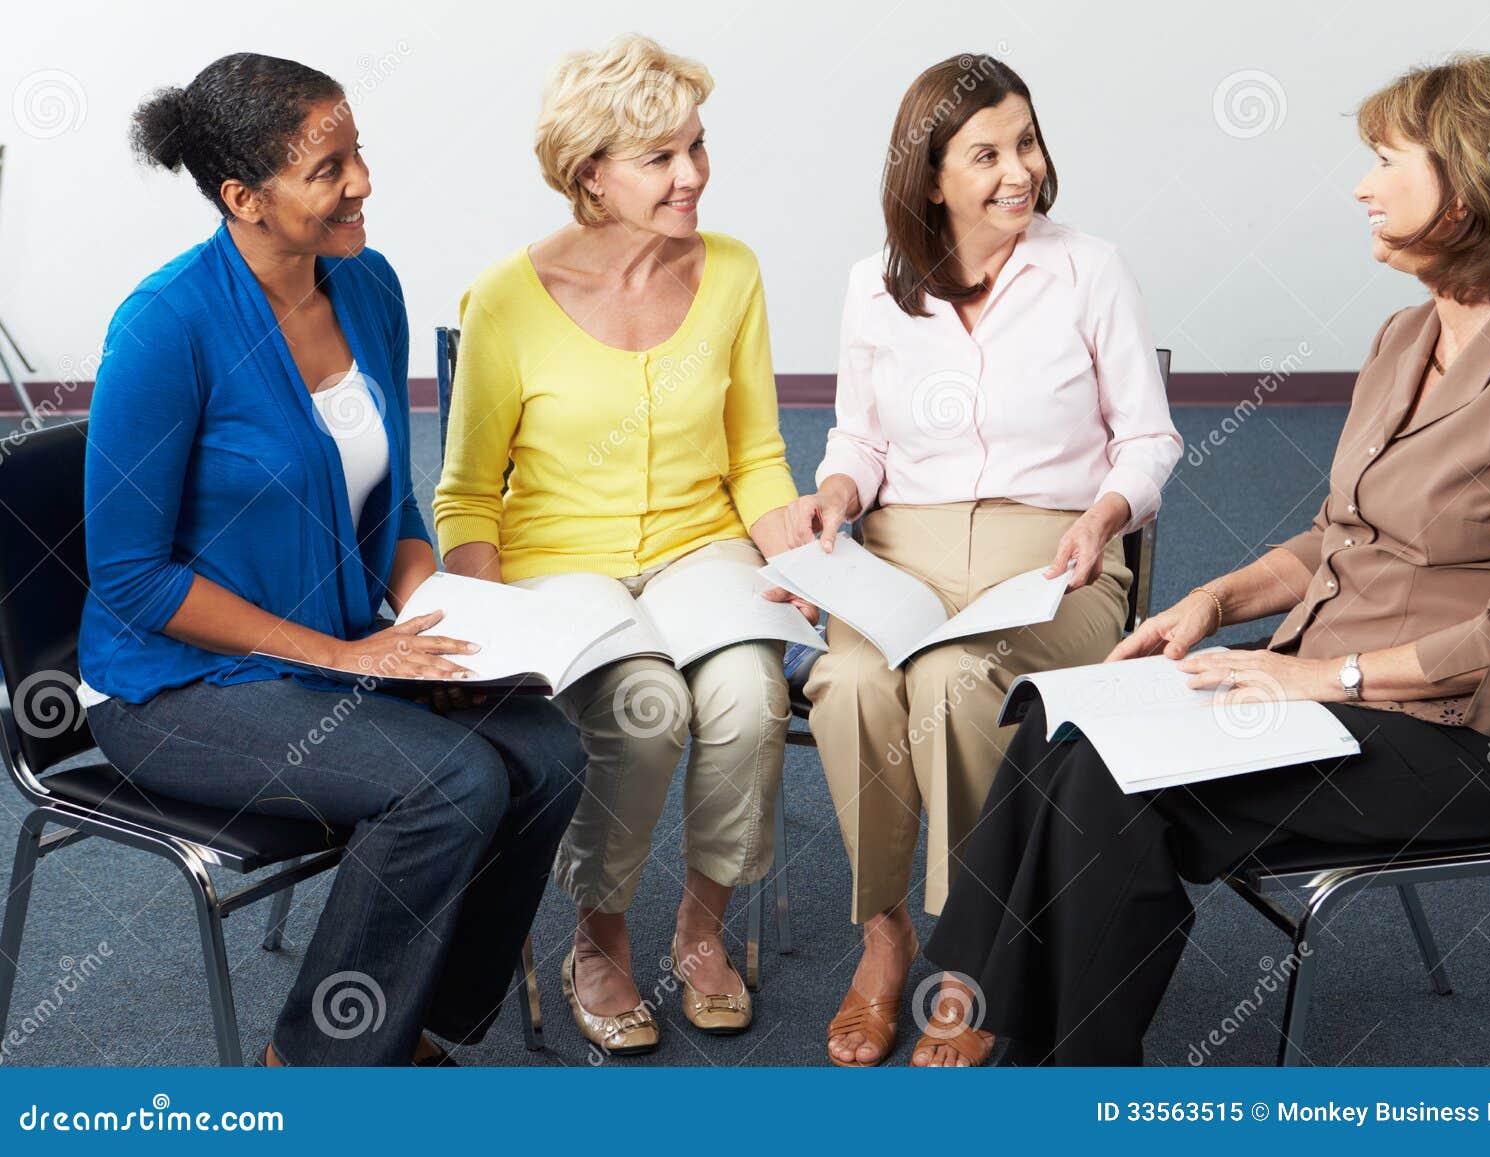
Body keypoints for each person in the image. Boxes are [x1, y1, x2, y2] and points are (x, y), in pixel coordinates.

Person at [924, 52, 1490, 1065]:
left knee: (1113, 787)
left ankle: (1071, 1080)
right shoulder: (1404, 336)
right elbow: (1340, 534)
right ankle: (975, 1010)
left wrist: (1319, 676)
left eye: (1386, 162)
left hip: (1472, 739)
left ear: (1469, 191)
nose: (1363, 187)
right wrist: (1213, 600)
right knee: (1052, 724)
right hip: (1333, 688)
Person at [80, 53, 582, 1066]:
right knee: (448, 783)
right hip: (173, 685)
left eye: (359, 153)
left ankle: (426, 1031)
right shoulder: (163, 326)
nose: (361, 183)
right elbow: (132, 578)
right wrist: (344, 657)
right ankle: (310, 1072)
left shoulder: (366, 284)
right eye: (329, 167)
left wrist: (430, 618)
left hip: (345, 641)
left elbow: (389, 499)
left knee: (547, 751)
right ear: (244, 198)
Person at [770, 54, 1181, 1066]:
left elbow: (1149, 439)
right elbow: (857, 442)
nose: (1019, 171)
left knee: (957, 684)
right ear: (928, 176)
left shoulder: (1088, 268)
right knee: (851, 682)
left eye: (1026, 142)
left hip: (1052, 558)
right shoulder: (875, 286)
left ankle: (974, 962)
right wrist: (834, 495)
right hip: (902, 556)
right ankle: (885, 939)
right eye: (986, 152)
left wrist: (1107, 515)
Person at [432, 34, 810, 1053]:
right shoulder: (505, 298)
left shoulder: (732, 272)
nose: (693, 174)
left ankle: (698, 928)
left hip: (702, 547)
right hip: (563, 562)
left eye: (696, 145)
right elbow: (466, 495)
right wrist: (491, 629)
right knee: (648, 711)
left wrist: (800, 555)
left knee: (746, 693)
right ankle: (597, 938)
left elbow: (759, 455)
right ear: (587, 173)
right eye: (660, 157)